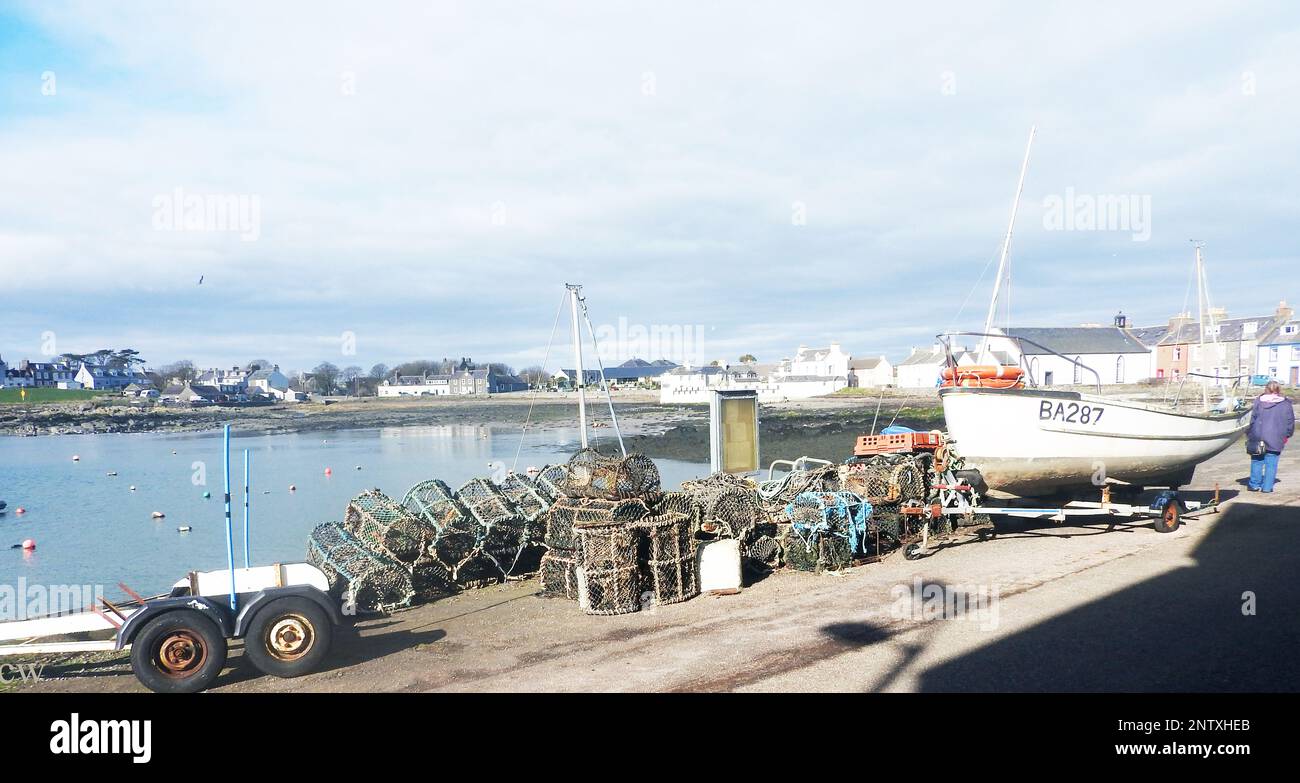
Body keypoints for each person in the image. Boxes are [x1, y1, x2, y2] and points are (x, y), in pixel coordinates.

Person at [1246, 381, 1295, 493]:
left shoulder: (1259, 401)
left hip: (1258, 435)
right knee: (1271, 462)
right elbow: (1290, 422)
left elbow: (1252, 419)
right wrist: (1287, 434)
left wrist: (1249, 433)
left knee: (1257, 460)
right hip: (1276, 436)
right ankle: (1267, 487)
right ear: (1278, 390)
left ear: (1266, 389)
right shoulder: (1286, 403)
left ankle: (1254, 485)